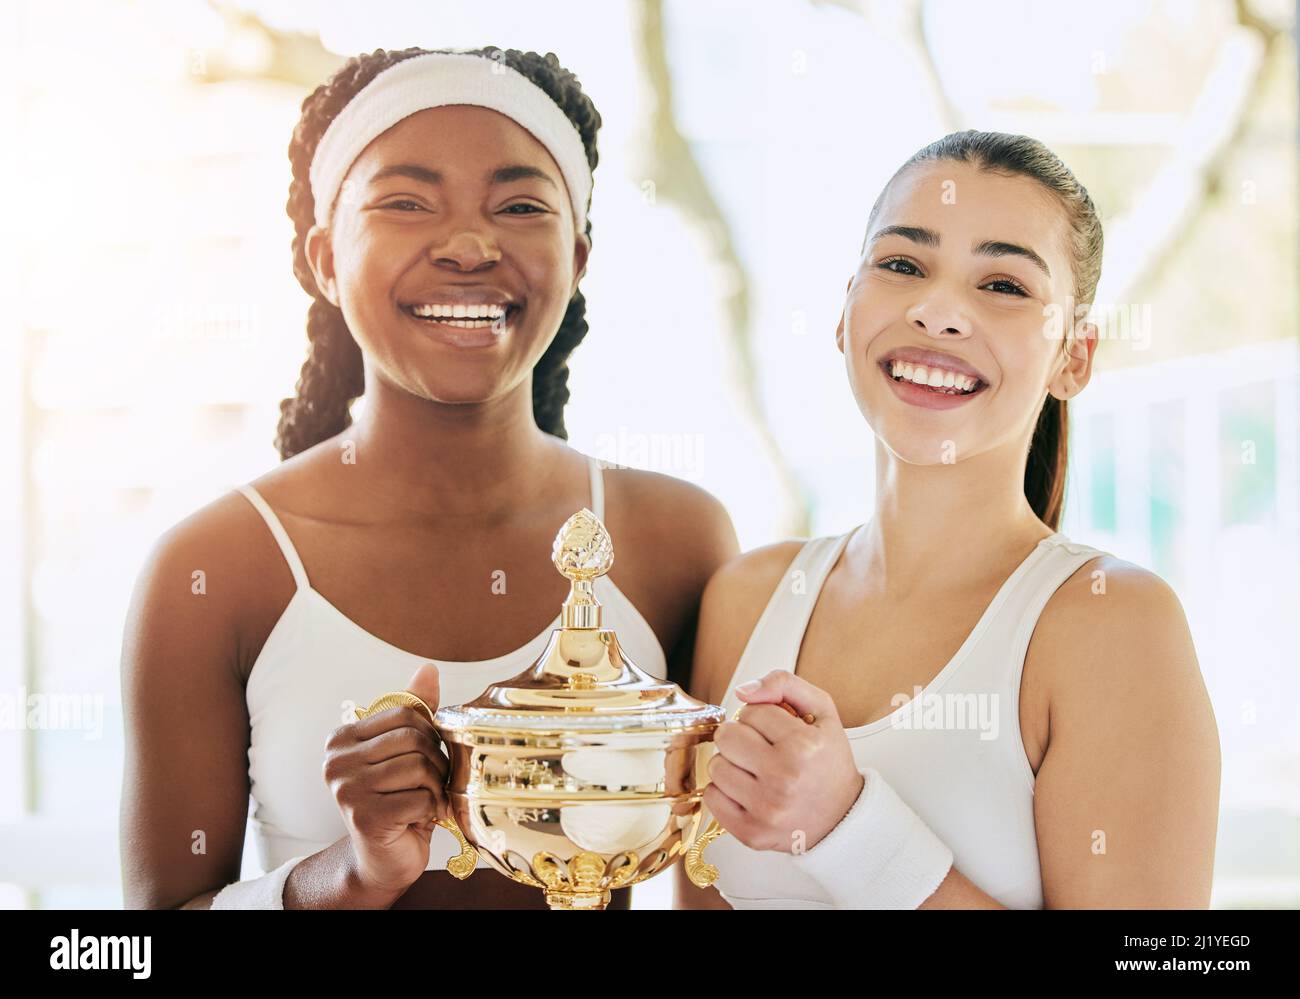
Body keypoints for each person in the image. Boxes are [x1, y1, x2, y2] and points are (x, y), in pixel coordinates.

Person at [120, 45, 737, 910]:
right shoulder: (216, 570)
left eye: (520, 205)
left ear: (579, 257)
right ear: (326, 258)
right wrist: (353, 870)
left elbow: (726, 881)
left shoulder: (678, 540)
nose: (470, 244)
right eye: (406, 202)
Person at [675, 130, 1220, 909]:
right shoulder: (744, 599)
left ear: (1075, 356)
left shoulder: (1113, 626)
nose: (938, 311)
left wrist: (847, 829)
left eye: (1003, 284)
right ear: (844, 312)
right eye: (902, 265)